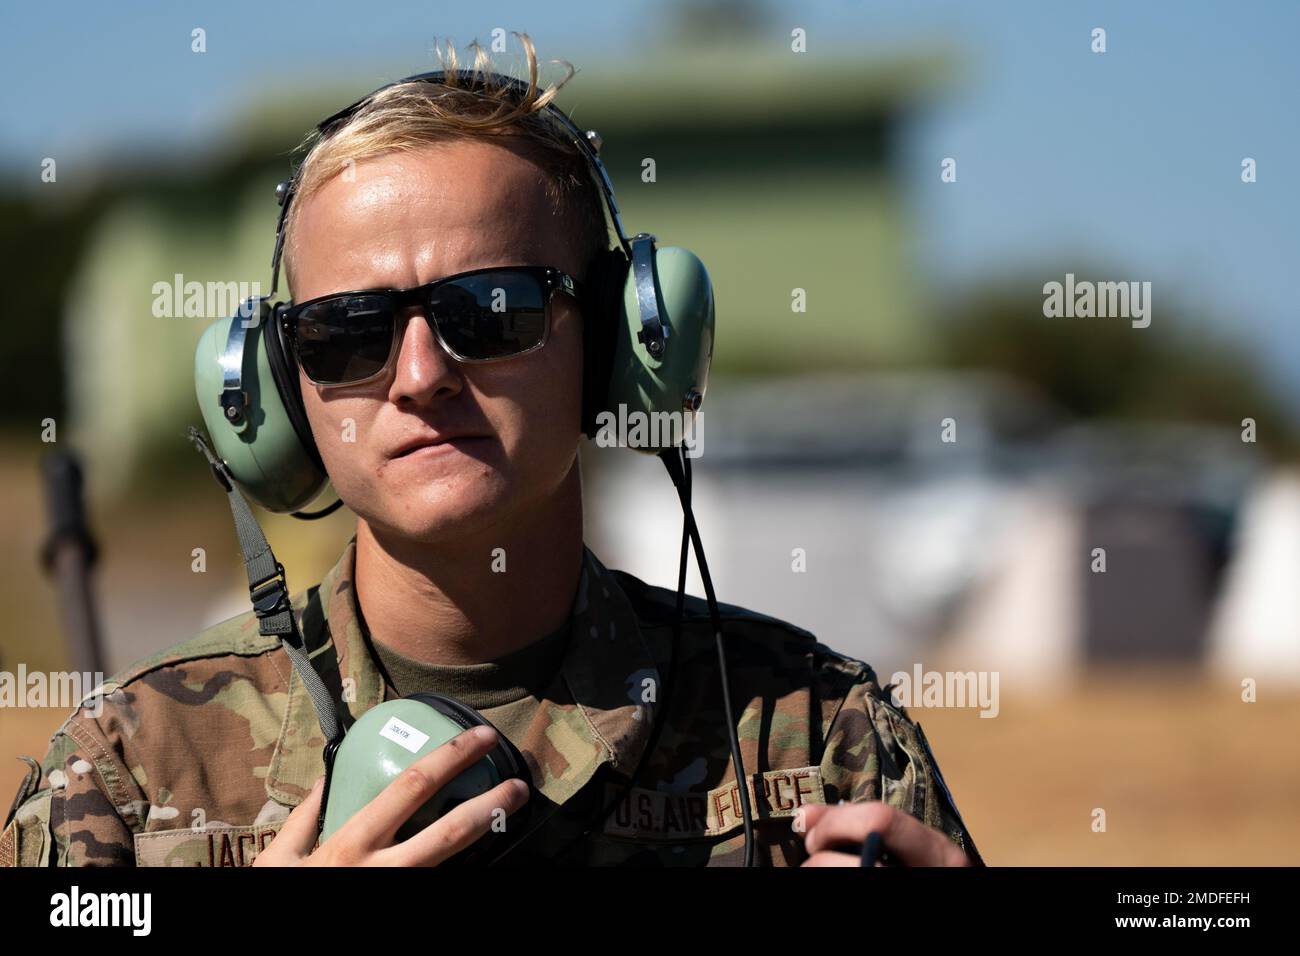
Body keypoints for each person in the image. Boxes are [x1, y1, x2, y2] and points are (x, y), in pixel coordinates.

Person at [0, 35, 983, 868]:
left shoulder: (816, 743)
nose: (419, 373)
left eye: (493, 309)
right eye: (347, 332)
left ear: (616, 343)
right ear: (278, 391)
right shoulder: (130, 778)